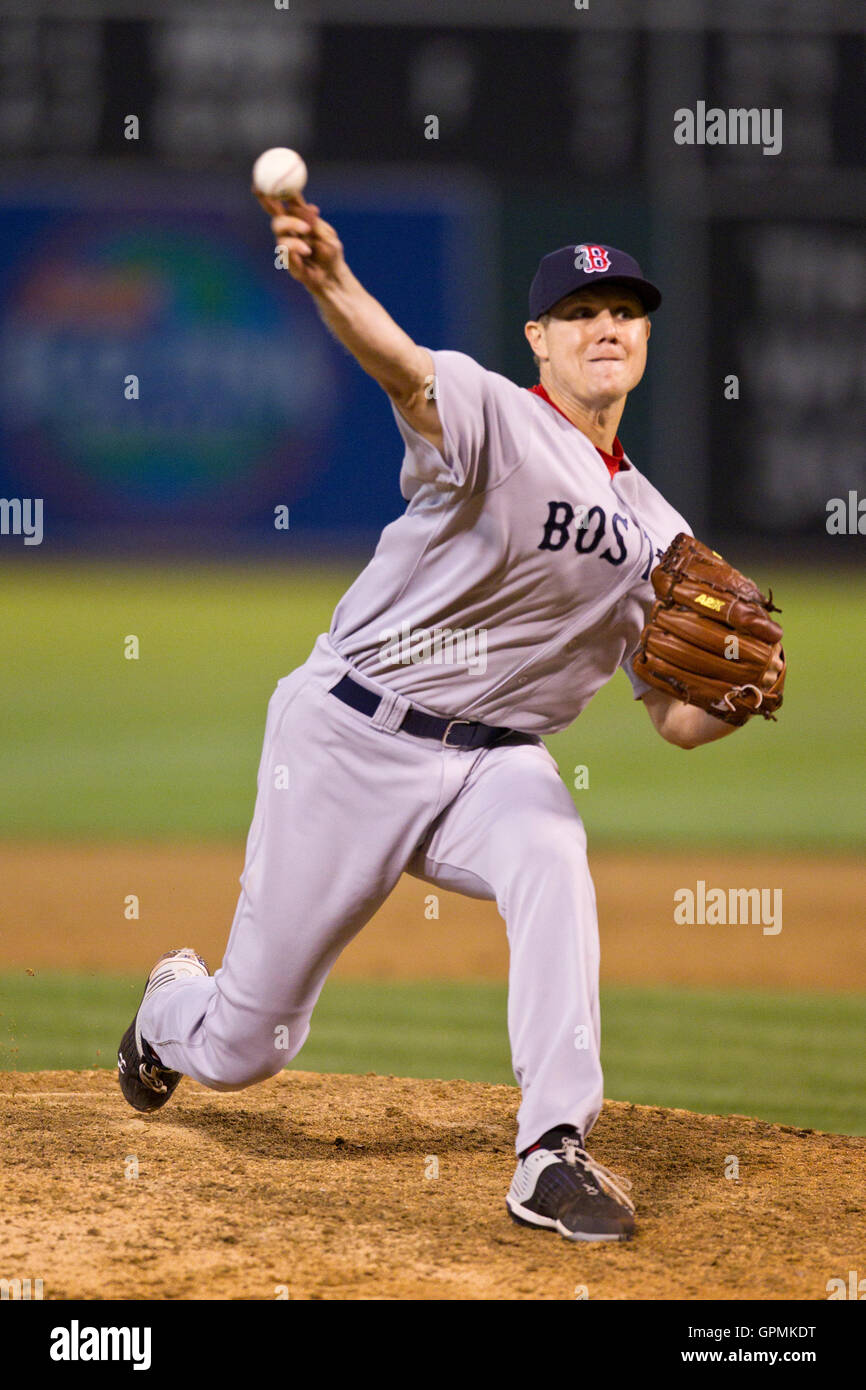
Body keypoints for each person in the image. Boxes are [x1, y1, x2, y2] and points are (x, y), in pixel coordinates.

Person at [117, 205, 781, 1244]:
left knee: (553, 852)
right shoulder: (492, 416)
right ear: (538, 339)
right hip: (346, 740)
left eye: (622, 311)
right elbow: (402, 368)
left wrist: (740, 693)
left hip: (491, 767)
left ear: (645, 337)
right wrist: (328, 279)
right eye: (578, 311)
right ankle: (168, 1007)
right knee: (246, 1047)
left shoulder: (662, 530)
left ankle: (549, 1150)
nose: (603, 327)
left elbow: (671, 718)